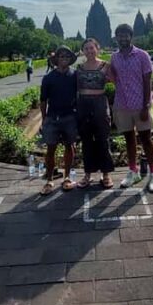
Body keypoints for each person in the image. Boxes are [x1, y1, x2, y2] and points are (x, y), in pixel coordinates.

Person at [110, 24, 153, 193]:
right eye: (119, 35)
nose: (123, 38)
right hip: (122, 105)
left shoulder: (142, 55)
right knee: (129, 140)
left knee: (146, 140)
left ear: (131, 37)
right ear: (116, 37)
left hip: (140, 105)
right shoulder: (114, 58)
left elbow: (147, 81)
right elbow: (114, 78)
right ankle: (133, 171)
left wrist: (146, 105)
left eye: (126, 35)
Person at [76, 38, 114, 189]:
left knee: (103, 139)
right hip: (83, 104)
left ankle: (106, 174)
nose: (89, 51)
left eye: (92, 48)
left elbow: (116, 81)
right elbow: (75, 88)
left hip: (100, 103)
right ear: (83, 51)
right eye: (86, 49)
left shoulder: (106, 66)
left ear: (97, 49)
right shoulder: (79, 68)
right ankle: (87, 174)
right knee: (86, 141)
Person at [39, 45, 78, 195]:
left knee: (70, 147)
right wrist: (44, 118)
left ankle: (67, 177)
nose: (64, 59)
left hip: (70, 116)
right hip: (53, 117)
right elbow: (43, 100)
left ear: (70, 59)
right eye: (61, 56)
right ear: (56, 59)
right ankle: (49, 179)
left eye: (67, 57)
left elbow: (79, 95)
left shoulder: (74, 75)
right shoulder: (49, 78)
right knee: (51, 149)